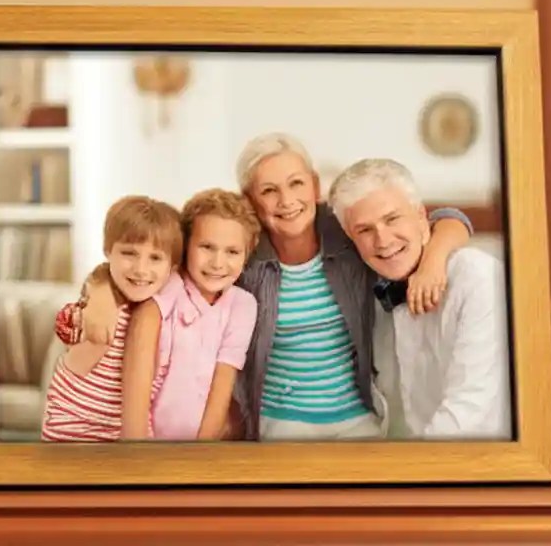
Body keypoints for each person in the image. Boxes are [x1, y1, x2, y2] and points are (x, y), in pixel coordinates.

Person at [229, 133, 474, 441]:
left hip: (358, 419)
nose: (286, 201)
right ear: (249, 199)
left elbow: (450, 218)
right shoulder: (241, 255)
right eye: (268, 190)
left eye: (296, 184)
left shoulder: (345, 230)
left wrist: (434, 261)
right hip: (280, 424)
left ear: (315, 186)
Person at [328, 158, 511, 440]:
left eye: (392, 219)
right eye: (365, 230)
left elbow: (468, 412)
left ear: (421, 216)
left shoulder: (477, 278)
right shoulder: (367, 293)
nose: (383, 240)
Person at [119, 189, 261, 440]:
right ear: (186, 246)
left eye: (232, 252)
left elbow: (222, 389)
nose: (218, 263)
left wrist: (200, 456)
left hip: (199, 451)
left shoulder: (242, 305)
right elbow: (135, 400)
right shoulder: (166, 289)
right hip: (147, 447)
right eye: (207, 247)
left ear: (247, 254)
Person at [40, 195, 183, 442]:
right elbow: (72, 324)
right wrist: (97, 289)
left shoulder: (164, 310)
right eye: (129, 253)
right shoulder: (96, 311)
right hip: (76, 447)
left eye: (155, 258)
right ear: (108, 251)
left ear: (173, 266)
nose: (141, 268)